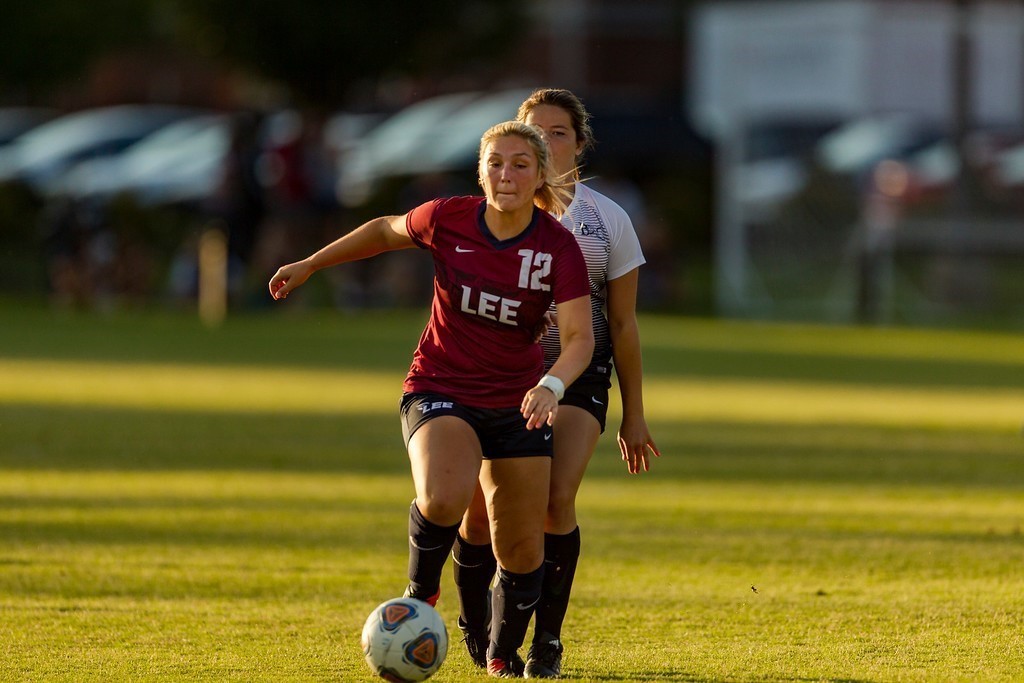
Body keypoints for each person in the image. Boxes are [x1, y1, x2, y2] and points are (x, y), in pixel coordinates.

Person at [268, 120, 595, 678]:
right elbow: (383, 229)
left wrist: (550, 384)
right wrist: (311, 264)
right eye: (495, 162)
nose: (506, 174)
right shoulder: (448, 217)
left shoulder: (557, 246)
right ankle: (419, 594)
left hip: (518, 402)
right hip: (440, 387)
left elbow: (580, 340)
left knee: (519, 550)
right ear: (481, 172)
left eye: (520, 164)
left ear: (540, 175)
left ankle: (500, 653)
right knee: (444, 497)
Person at [453, 89, 661, 679]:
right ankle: (479, 628)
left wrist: (636, 413)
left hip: (579, 377)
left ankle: (545, 641)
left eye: (558, 132)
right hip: (498, 373)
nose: (543, 142)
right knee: (478, 512)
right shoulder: (497, 210)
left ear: (578, 143)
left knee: (553, 499)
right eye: (532, 131)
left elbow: (621, 324)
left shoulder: (607, 219)